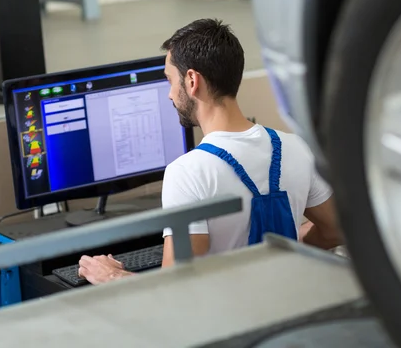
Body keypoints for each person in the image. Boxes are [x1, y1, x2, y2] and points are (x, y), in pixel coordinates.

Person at [78, 19, 343, 284]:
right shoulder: (295, 147)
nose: (170, 94)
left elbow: (175, 288)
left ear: (192, 80)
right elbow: (335, 231)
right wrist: (281, 248)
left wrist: (111, 276)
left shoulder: (187, 172)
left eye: (170, 80)